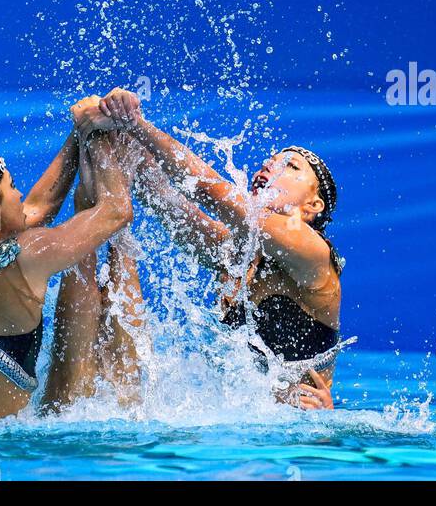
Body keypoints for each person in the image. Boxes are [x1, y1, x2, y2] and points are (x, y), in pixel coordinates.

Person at [98, 89, 349, 410]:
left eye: (290, 167)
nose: (270, 167)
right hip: (244, 432)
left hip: (306, 438)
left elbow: (207, 189)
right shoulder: (239, 254)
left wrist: (136, 124)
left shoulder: (314, 255)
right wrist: (111, 133)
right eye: (269, 162)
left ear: (314, 204)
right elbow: (165, 199)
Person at [0, 94, 136, 426]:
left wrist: (78, 131)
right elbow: (116, 211)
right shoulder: (23, 258)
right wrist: (98, 135)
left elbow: (36, 209)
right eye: (12, 187)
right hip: (3, 452)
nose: (20, 194)